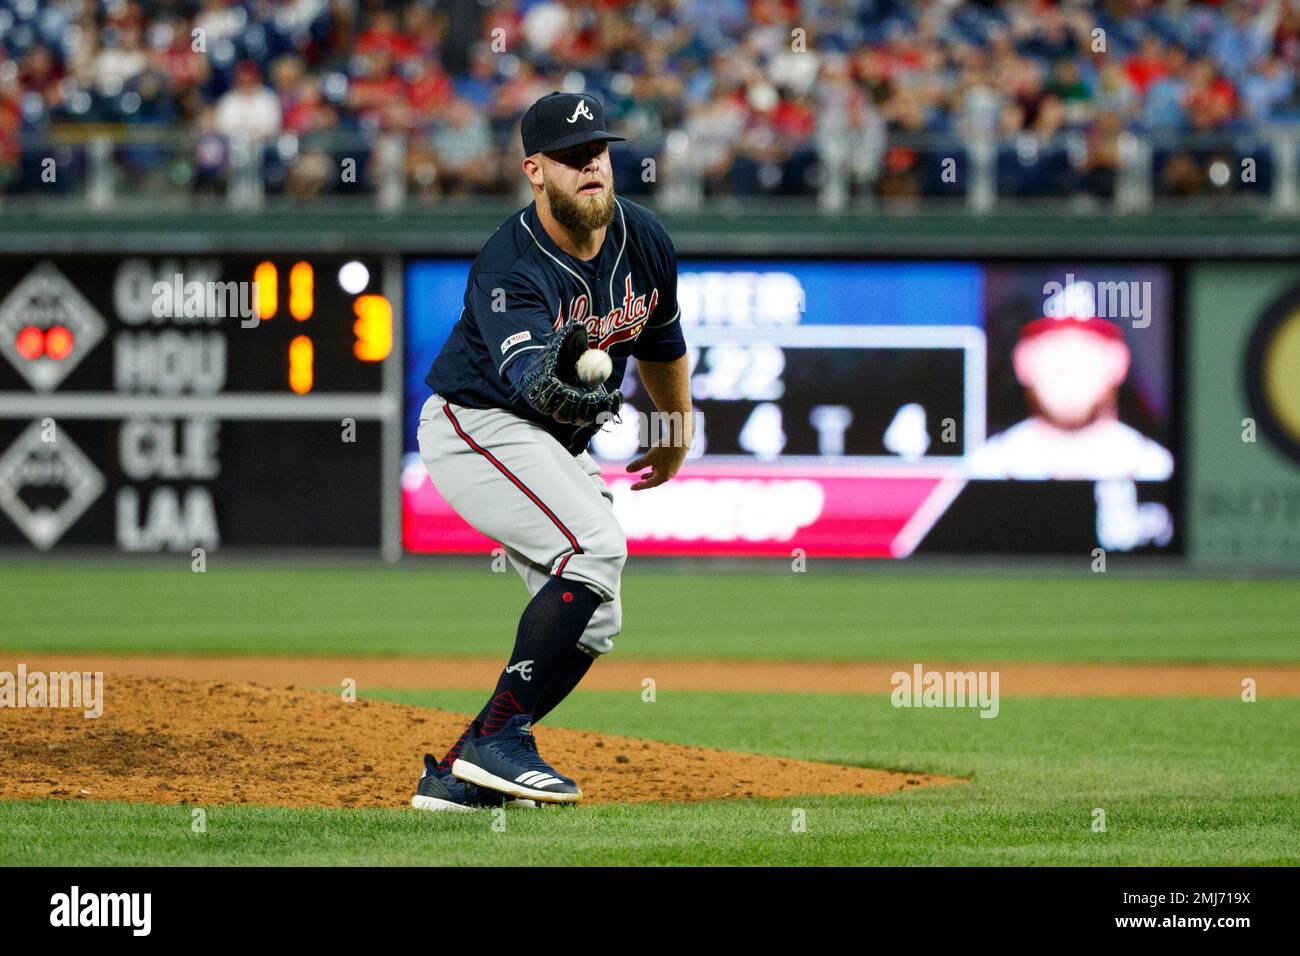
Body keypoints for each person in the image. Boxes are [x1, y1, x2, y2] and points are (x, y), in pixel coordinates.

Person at [410, 92, 692, 810]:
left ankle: (459, 776)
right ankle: (500, 741)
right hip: (479, 425)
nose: (590, 166)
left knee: (596, 617)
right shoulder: (511, 264)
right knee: (595, 549)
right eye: (570, 158)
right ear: (535, 170)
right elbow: (533, 382)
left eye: (597, 152)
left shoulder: (645, 238)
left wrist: (675, 427)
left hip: (551, 444)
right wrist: (567, 392)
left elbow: (661, 341)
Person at [968, 284, 1173, 481]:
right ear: (1022, 361)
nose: (1069, 365)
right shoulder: (983, 470)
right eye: (1052, 346)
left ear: (1119, 361)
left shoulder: (1158, 470)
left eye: (1086, 346)